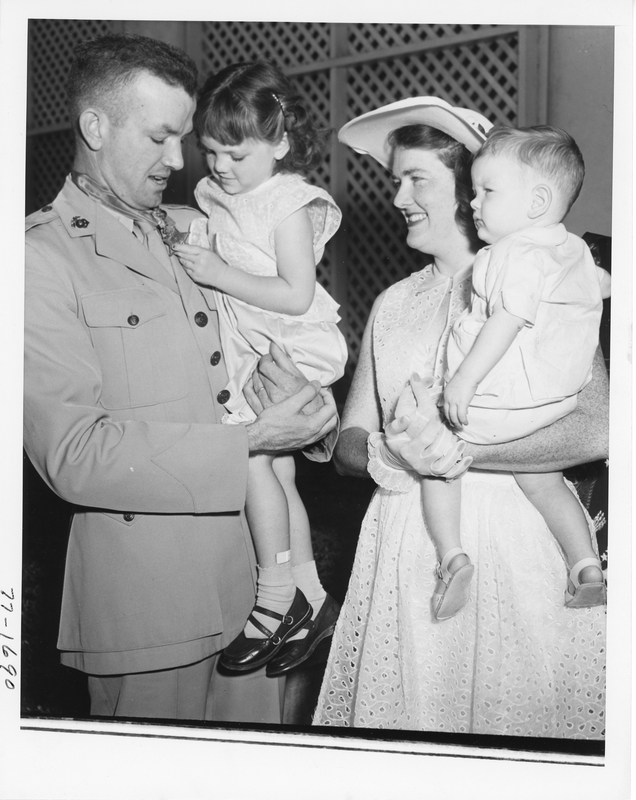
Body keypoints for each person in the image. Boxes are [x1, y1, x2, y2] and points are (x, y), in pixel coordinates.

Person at [23, 33, 337, 723]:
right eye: (160, 137)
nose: (179, 159)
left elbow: (284, 340)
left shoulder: (206, 227)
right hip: (148, 611)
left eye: (183, 138)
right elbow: (72, 454)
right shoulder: (39, 259)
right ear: (95, 127)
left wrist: (307, 410)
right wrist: (253, 440)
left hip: (254, 598)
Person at [313, 97, 607, 736]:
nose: (398, 198)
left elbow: (596, 427)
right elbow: (349, 444)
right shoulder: (394, 301)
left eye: (416, 179)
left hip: (517, 538)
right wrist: (393, 452)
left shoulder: (542, 276)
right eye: (397, 181)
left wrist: (450, 453)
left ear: (472, 182)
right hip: (406, 545)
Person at [173, 61, 346, 676]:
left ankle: (273, 597)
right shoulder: (219, 192)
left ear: (280, 143)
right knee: (278, 472)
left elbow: (296, 294)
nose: (220, 166)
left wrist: (221, 274)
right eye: (210, 151)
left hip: (287, 343)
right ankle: (312, 600)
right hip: (250, 341)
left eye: (237, 154)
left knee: (249, 460)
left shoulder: (288, 204)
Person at [412, 124, 610, 621]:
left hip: (500, 397)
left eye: (487, 191)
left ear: (537, 201)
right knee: (543, 480)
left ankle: (452, 557)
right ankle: (586, 565)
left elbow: (507, 319)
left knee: (435, 457)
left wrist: (463, 381)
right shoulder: (571, 249)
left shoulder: (513, 252)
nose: (472, 202)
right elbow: (601, 287)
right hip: (553, 402)